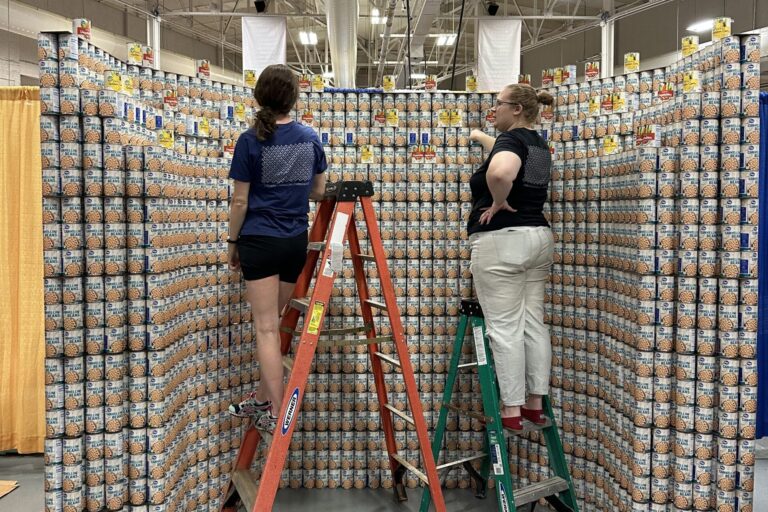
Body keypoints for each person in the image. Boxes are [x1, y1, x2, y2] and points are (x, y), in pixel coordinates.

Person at [226, 64, 328, 433]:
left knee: (267, 329)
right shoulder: (310, 138)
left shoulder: (250, 140)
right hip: (294, 243)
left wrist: (232, 244)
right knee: (275, 326)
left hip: (259, 240)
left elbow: (240, 202)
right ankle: (265, 398)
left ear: (259, 96)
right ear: (294, 98)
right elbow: (318, 192)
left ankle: (279, 411)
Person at [467, 83, 555, 432]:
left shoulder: (510, 142)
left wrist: (498, 199)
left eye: (499, 104)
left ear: (517, 109)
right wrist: (481, 136)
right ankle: (535, 404)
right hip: (538, 239)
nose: (495, 110)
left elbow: (501, 171)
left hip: (503, 241)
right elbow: (504, 152)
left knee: (504, 330)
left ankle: (511, 409)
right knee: (533, 324)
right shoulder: (536, 142)